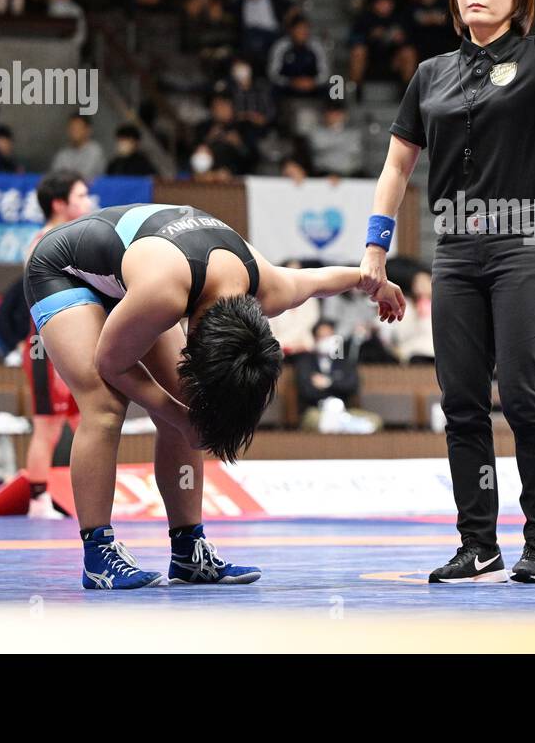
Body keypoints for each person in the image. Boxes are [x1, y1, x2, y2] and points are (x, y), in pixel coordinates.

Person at [359, 0, 535, 584]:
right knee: (463, 403)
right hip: (454, 250)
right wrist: (375, 247)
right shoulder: (431, 74)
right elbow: (395, 166)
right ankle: (478, 544)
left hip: (525, 243)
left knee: (526, 396)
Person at [25, 202, 405, 588]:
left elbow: (317, 280)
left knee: (192, 404)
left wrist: (371, 282)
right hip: (64, 269)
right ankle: (98, 554)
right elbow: (111, 364)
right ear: (198, 339)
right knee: (105, 405)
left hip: (143, 269)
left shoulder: (267, 286)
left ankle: (188, 550)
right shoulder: (164, 295)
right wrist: (180, 419)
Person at [23, 172, 93, 518]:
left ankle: (94, 495)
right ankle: (38, 500)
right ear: (59, 204)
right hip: (46, 345)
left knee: (91, 420)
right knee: (47, 425)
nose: (88, 202)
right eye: (81, 195)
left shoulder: (75, 237)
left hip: (79, 342)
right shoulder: (43, 242)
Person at [50, 114, 107, 182]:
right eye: (72, 128)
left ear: (88, 130)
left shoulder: (95, 151)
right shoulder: (63, 154)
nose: (75, 132)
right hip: (65, 191)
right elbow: (54, 177)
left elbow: (85, 176)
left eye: (78, 128)